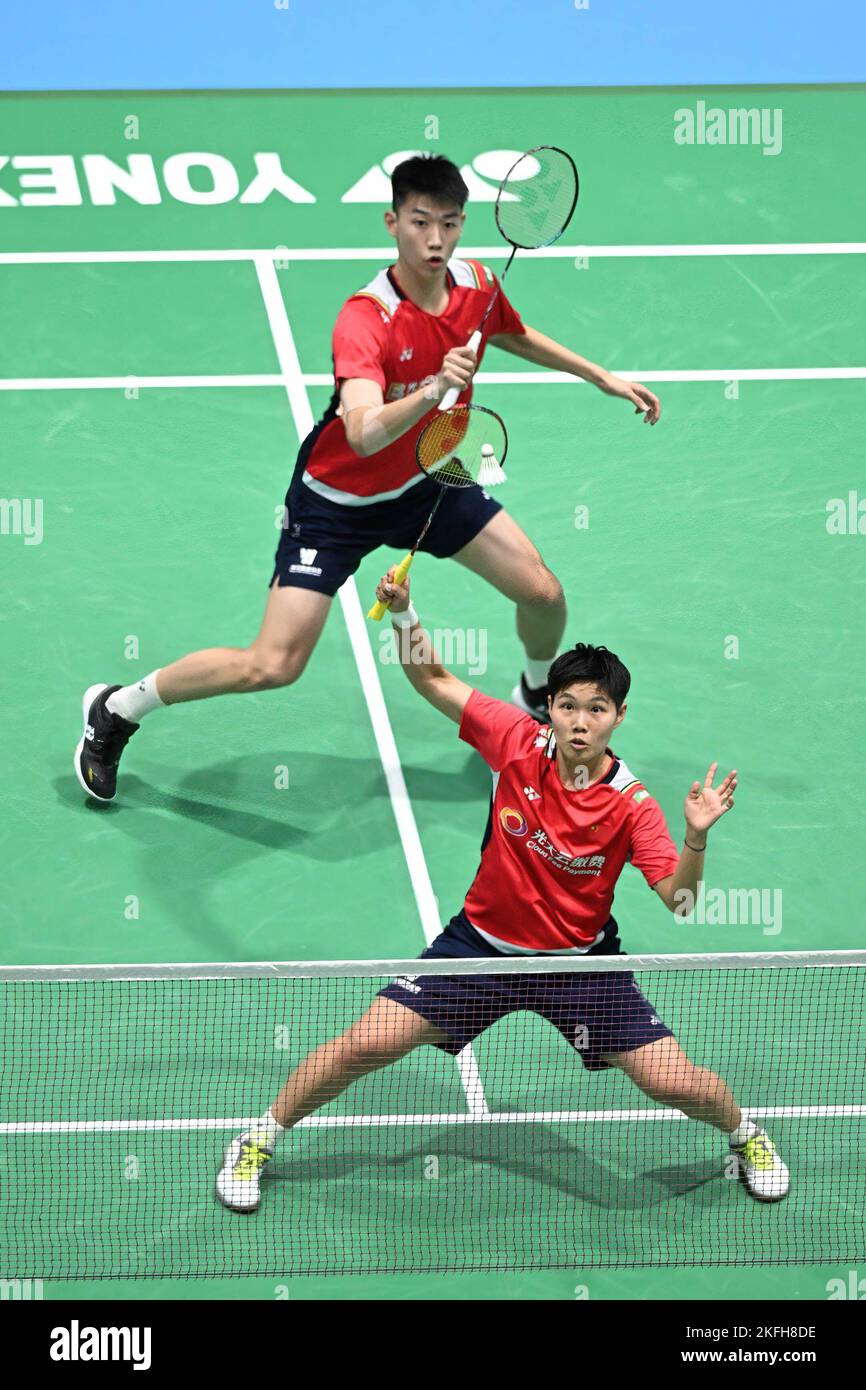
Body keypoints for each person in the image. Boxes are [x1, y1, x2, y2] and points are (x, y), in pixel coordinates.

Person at [74, 152, 661, 803]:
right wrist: (436, 385)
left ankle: (531, 699)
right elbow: (361, 429)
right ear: (392, 222)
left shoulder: (476, 283)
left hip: (427, 477)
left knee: (544, 594)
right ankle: (118, 708)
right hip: (337, 502)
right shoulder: (366, 318)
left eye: (448, 223)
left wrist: (599, 375)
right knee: (273, 665)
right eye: (419, 223)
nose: (435, 240)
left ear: (464, 222)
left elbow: (512, 331)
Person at [215, 567, 789, 1213]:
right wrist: (404, 616)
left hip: (578, 966)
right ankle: (257, 1140)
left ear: (618, 717)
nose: (580, 722)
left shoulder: (633, 806)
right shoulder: (515, 741)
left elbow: (681, 903)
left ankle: (746, 1135)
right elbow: (433, 679)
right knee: (365, 1044)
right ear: (550, 706)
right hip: (480, 952)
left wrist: (696, 837)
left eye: (596, 710)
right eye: (568, 705)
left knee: (673, 1082)